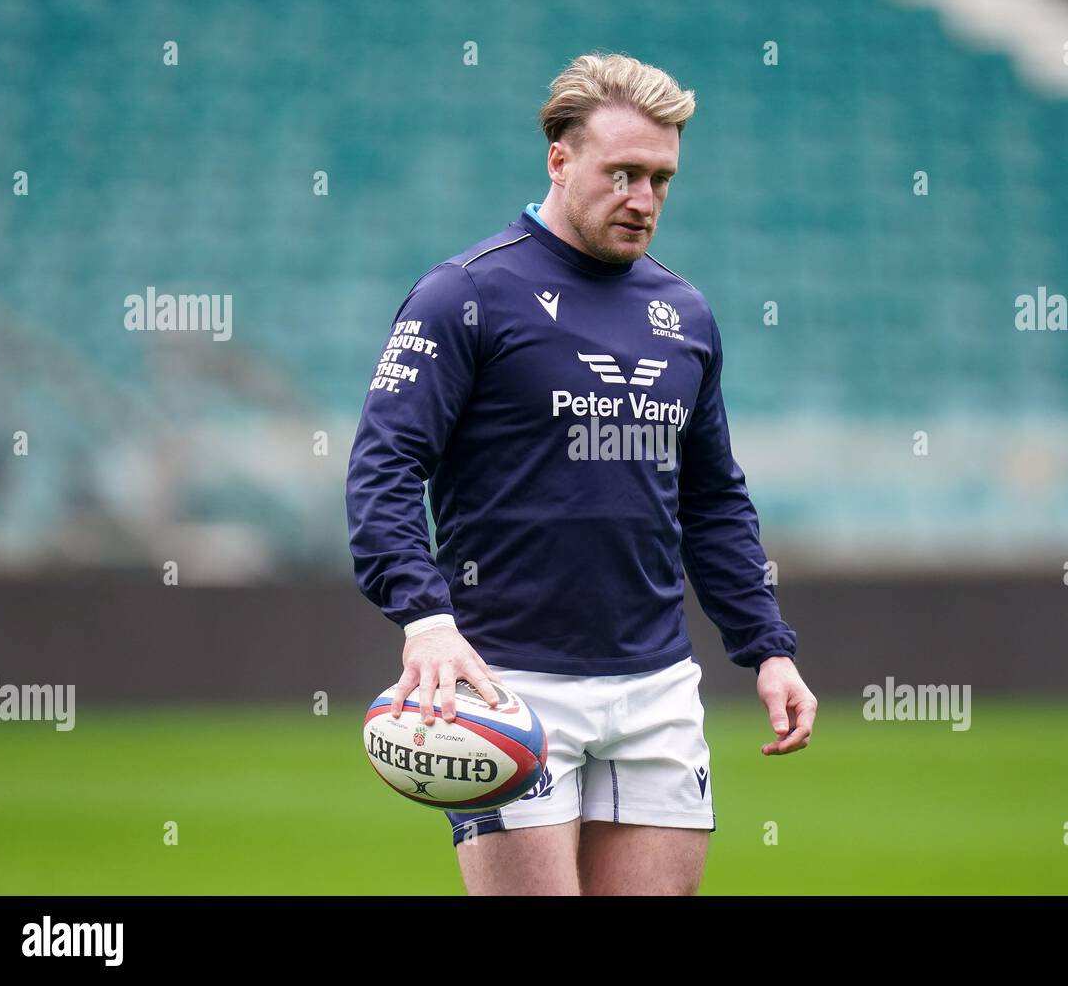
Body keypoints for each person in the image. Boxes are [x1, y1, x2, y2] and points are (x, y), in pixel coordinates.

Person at [346, 51, 817, 895]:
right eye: (622, 173)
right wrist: (424, 618)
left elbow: (712, 499)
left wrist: (767, 648)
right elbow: (383, 467)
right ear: (559, 160)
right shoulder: (464, 295)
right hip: (506, 685)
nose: (643, 199)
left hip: (658, 686)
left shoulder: (686, 314)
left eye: (661, 179)